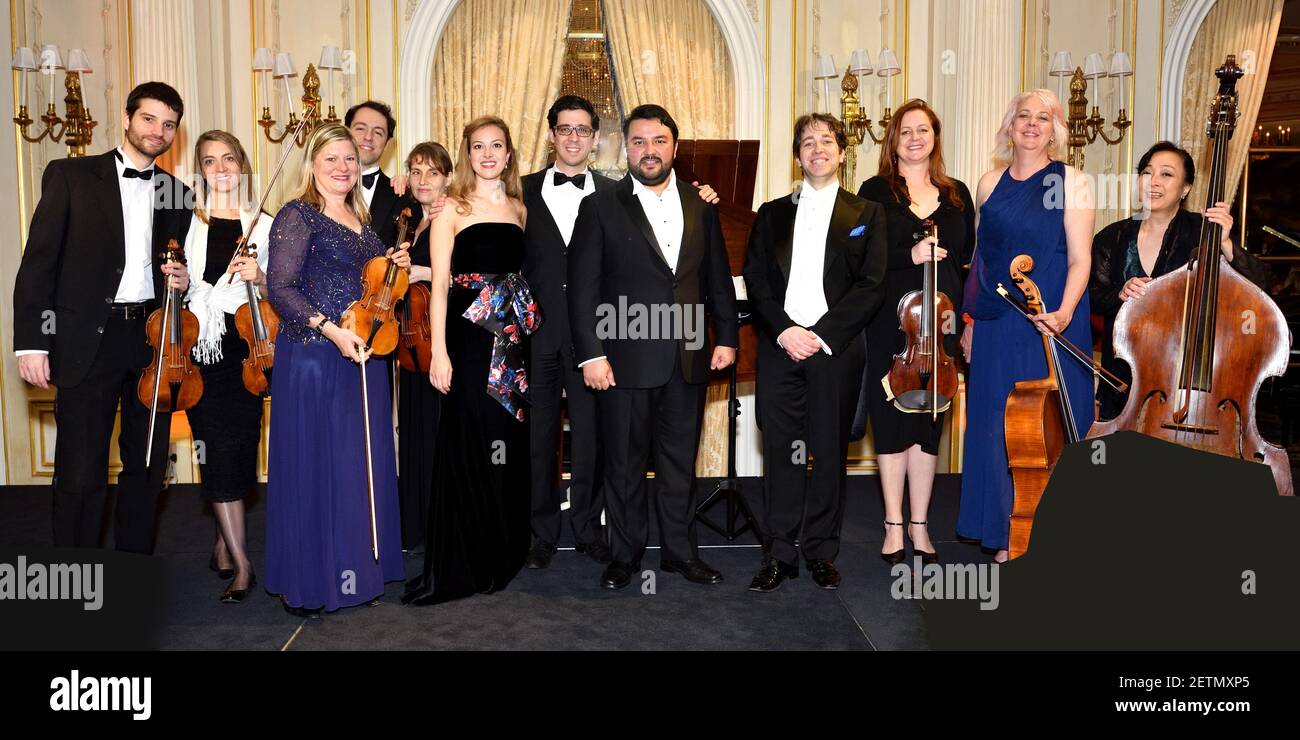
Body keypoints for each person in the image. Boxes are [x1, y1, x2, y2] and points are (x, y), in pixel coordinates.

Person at [520, 95, 720, 570]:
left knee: (597, 446)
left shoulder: (617, 194)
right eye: (564, 129)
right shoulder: (518, 190)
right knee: (540, 443)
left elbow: (702, 271)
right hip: (546, 337)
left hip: (627, 346)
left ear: (595, 139)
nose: (573, 138)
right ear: (551, 136)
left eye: (582, 130)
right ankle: (541, 536)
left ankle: (599, 536)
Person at [13, 81, 192, 553]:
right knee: (80, 470)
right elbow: (38, 264)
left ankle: (131, 569)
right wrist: (32, 342)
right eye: (149, 119)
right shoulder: (70, 176)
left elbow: (177, 263)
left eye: (169, 124)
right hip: (86, 339)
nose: (158, 131)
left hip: (151, 342)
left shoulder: (180, 194)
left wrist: (182, 280)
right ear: (128, 118)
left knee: (148, 465)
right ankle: (76, 577)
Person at [568, 103, 739, 590]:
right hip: (622, 361)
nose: (649, 150)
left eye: (658, 141)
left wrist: (725, 336)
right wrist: (592, 354)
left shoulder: (699, 204)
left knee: (679, 464)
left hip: (687, 356)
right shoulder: (600, 205)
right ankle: (623, 556)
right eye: (639, 141)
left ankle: (681, 554)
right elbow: (583, 288)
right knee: (622, 466)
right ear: (626, 147)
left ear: (674, 148)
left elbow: (715, 277)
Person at [264, 123, 410, 617]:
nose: (343, 167)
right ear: (313, 163)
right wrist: (330, 330)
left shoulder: (362, 220)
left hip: (361, 355)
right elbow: (279, 288)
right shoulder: (297, 214)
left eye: (350, 159)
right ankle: (310, 581)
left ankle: (354, 576)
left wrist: (393, 263)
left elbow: (367, 284)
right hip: (314, 355)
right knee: (316, 465)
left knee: (355, 466)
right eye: (332, 159)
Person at [742, 113, 886, 592]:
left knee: (827, 454)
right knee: (781, 454)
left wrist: (820, 335)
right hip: (780, 347)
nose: (817, 148)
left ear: (842, 152)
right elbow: (756, 281)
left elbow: (871, 286)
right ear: (798, 155)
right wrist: (785, 330)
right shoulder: (771, 212)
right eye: (807, 142)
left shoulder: (866, 214)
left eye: (827, 141)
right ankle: (779, 554)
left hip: (834, 350)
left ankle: (822, 551)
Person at [402, 116, 538, 606]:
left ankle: (501, 550)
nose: (486, 154)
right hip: (466, 340)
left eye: (495, 146)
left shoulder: (520, 209)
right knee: (468, 438)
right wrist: (439, 351)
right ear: (467, 154)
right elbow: (438, 286)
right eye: (477, 146)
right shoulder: (450, 208)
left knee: (505, 438)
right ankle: (462, 560)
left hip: (511, 342)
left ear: (508, 154)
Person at [957, 89, 1095, 563]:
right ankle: (1005, 533)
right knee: (997, 428)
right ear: (1009, 125)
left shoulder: (1072, 182)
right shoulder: (988, 183)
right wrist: (971, 318)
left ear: (1055, 129)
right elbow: (979, 262)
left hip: (1050, 321)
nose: (1032, 125)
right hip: (997, 322)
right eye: (1023, 116)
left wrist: (1064, 311)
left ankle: (1053, 531)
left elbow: (1081, 260)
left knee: (1045, 429)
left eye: (1043, 118)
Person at [856, 99, 974, 566]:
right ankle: (892, 524)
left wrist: (965, 320)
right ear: (893, 139)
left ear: (934, 136)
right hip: (892, 326)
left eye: (922, 130)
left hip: (940, 327)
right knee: (890, 425)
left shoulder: (958, 193)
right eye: (905, 131)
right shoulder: (875, 191)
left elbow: (969, 258)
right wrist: (912, 256)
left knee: (929, 424)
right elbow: (862, 257)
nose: (914, 138)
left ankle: (920, 524)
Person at [1090, 140, 1269, 420]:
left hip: (1187, 376)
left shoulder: (1204, 232)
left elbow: (1258, 286)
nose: (1154, 182)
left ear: (1185, 189)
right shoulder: (1111, 237)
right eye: (1147, 173)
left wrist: (1224, 243)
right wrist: (1120, 292)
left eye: (1167, 174)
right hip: (1124, 378)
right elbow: (1092, 297)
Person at [182, 130, 271, 602]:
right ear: (201, 171)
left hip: (245, 352)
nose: (221, 169)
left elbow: (285, 287)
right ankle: (243, 564)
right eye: (210, 161)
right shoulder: (187, 221)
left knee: (239, 448)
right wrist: (178, 279)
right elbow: (177, 279)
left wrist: (261, 276)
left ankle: (223, 540)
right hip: (202, 350)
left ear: (242, 165)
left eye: (229, 159)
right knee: (213, 449)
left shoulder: (264, 224)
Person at [395, 140, 452, 552]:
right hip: (413, 342)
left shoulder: (456, 213)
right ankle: (416, 526)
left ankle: (441, 527)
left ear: (448, 177)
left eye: (433, 171)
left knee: (440, 432)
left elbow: (470, 277)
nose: (422, 179)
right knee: (415, 430)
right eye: (415, 171)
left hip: (442, 341)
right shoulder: (411, 219)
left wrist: (421, 271)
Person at [345, 100, 427, 248]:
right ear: (345, 133)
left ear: (387, 143)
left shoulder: (404, 198)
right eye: (360, 129)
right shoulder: (321, 190)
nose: (368, 137)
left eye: (378, 132)